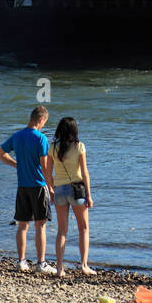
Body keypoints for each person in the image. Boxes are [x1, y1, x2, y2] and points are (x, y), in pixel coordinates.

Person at [0, 105, 55, 273]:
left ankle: (21, 261)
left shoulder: (17, 136)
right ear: (41, 120)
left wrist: (16, 165)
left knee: (22, 225)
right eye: (45, 121)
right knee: (40, 225)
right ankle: (41, 263)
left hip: (22, 186)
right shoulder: (41, 138)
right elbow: (44, 167)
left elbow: (0, 153)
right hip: (38, 185)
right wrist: (51, 187)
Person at [49, 116, 94, 277]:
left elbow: (47, 172)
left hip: (59, 189)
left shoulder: (52, 147)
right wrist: (89, 195)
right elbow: (85, 173)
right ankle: (84, 265)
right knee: (83, 228)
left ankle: (60, 268)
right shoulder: (79, 146)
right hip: (76, 190)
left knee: (62, 230)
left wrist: (51, 189)